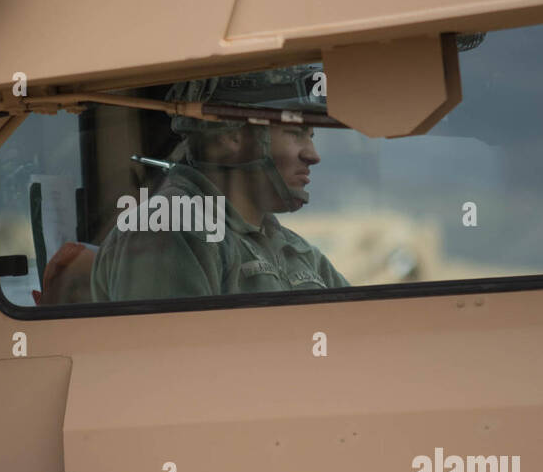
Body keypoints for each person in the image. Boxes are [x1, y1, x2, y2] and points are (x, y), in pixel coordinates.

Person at [91, 66, 349, 301]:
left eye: (311, 136)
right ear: (232, 135)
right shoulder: (167, 231)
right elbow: (170, 349)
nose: (312, 155)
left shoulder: (295, 249)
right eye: (295, 133)